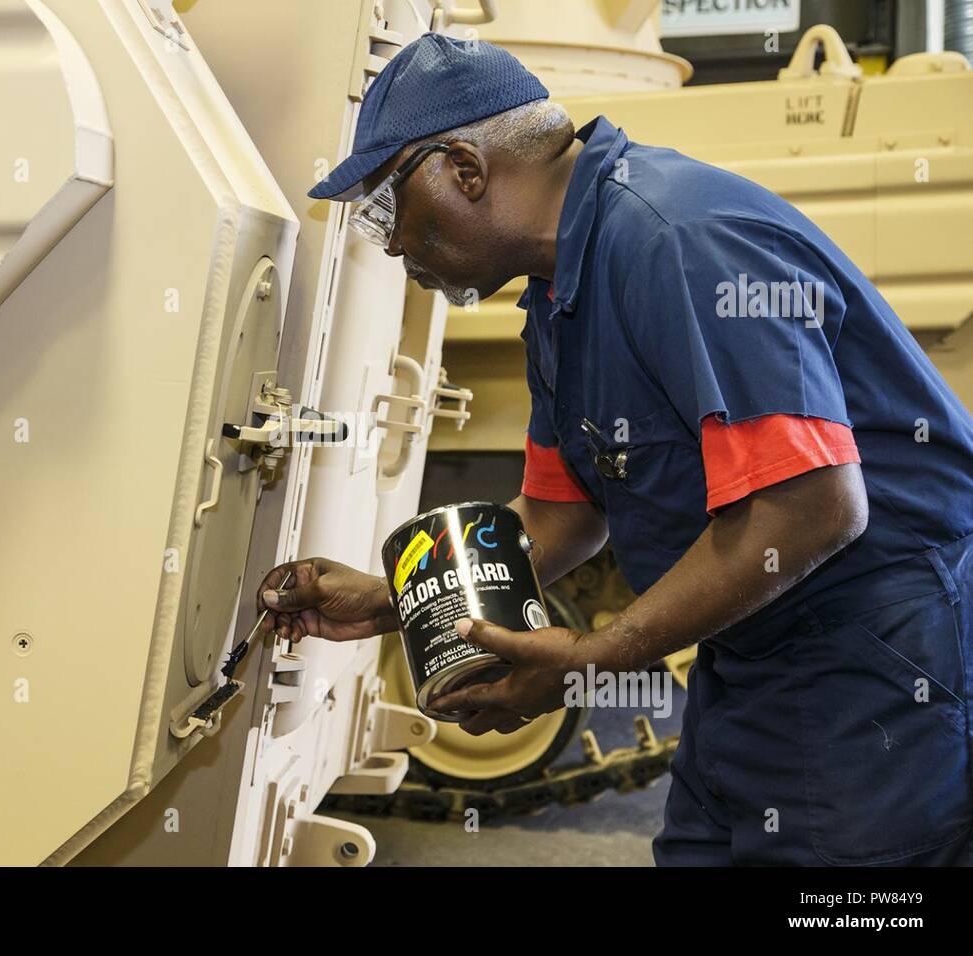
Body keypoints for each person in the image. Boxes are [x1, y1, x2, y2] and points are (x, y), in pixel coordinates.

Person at [256, 33, 973, 865]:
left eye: (388, 207)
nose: (388, 244)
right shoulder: (559, 292)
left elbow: (813, 505)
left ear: (465, 168)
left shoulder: (677, 241)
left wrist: (593, 658)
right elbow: (563, 514)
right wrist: (393, 603)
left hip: (874, 651)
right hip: (755, 651)